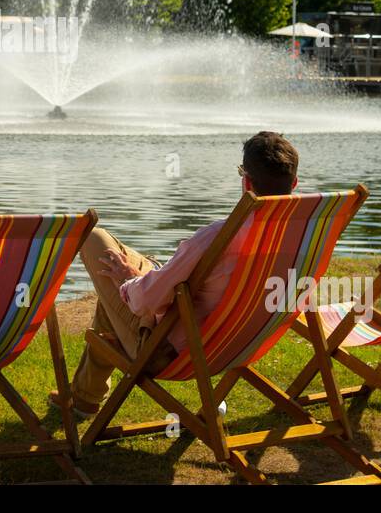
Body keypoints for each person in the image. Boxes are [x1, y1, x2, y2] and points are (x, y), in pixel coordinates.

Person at [52, 131, 300, 417]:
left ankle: (85, 397)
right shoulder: (303, 238)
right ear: (294, 183)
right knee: (124, 278)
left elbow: (145, 302)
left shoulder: (220, 237)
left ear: (245, 181)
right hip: (239, 344)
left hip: (172, 351)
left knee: (94, 238)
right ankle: (84, 396)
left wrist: (128, 279)